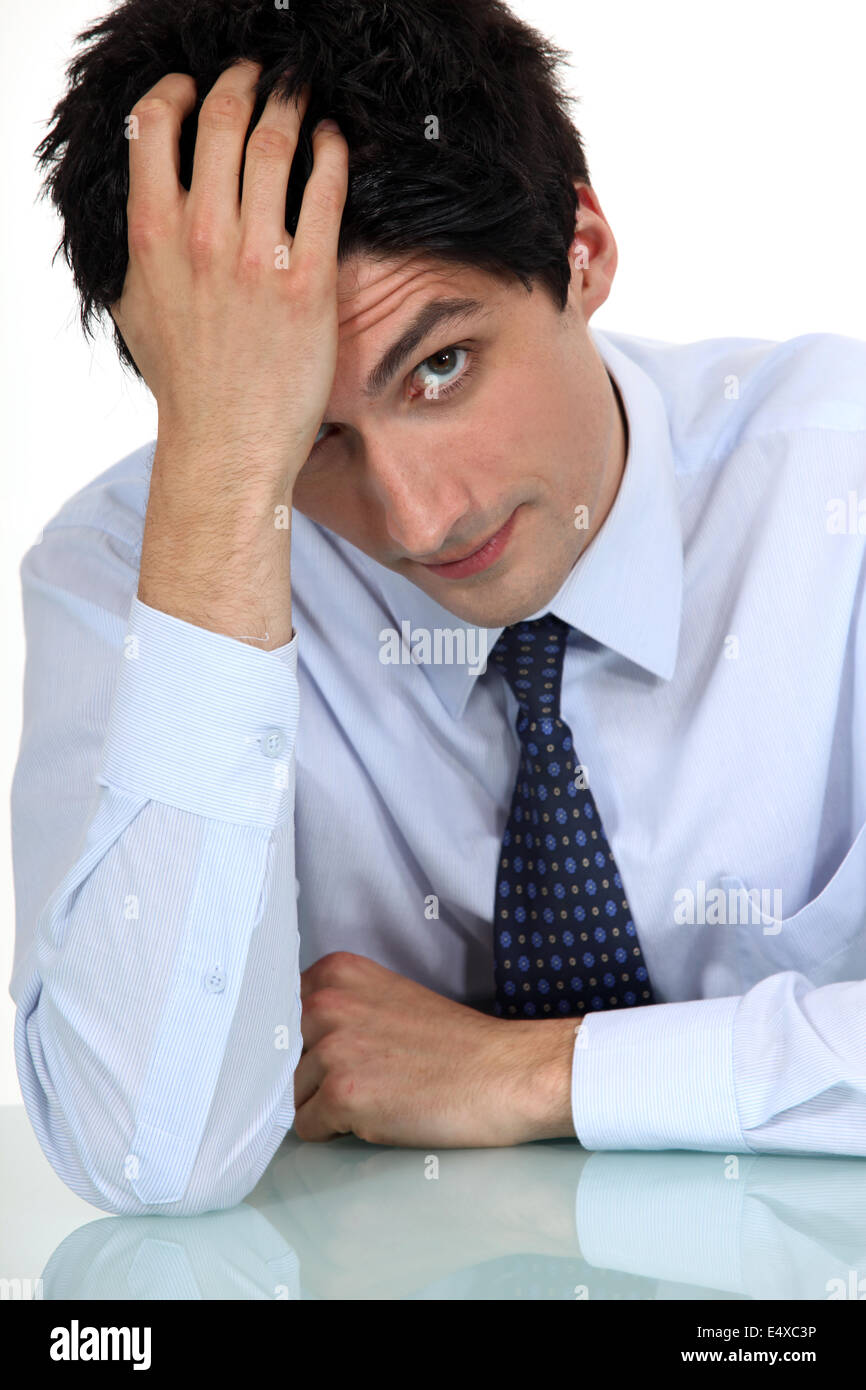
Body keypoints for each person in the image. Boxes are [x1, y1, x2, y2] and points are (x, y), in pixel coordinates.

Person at [10, 0, 866, 1218]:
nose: (417, 520)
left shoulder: (840, 490)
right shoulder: (134, 567)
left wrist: (535, 1071)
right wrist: (222, 482)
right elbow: (147, 1154)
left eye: (441, 366)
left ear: (582, 245)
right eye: (312, 435)